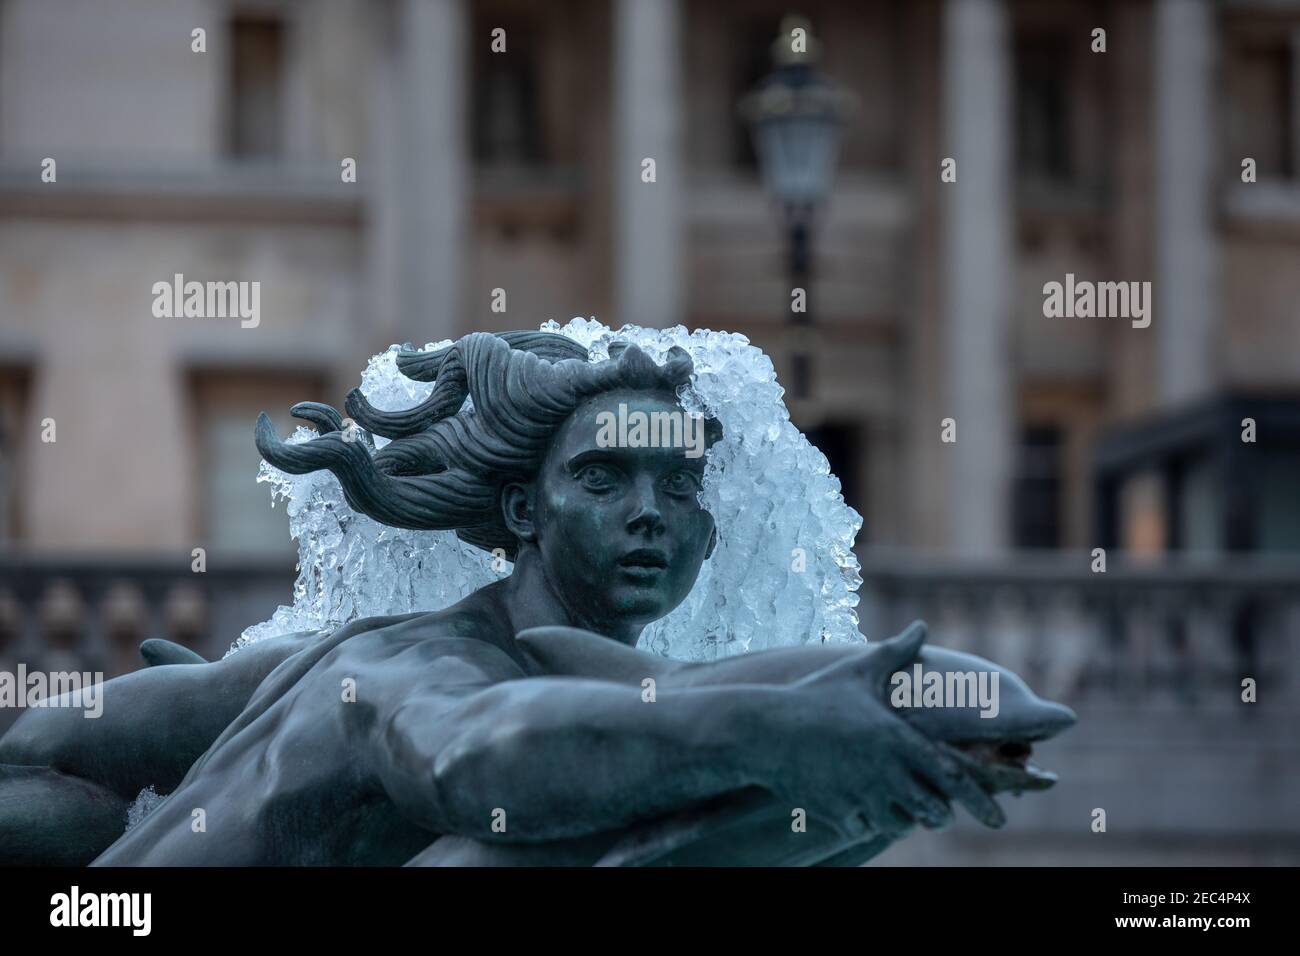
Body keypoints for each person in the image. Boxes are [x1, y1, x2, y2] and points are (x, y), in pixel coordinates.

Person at [0, 331, 1001, 866]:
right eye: (605, 479)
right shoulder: (415, 668)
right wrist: (766, 729)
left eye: (678, 485)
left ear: (708, 529)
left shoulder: (340, 656)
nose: (649, 514)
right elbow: (478, 754)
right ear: (523, 506)